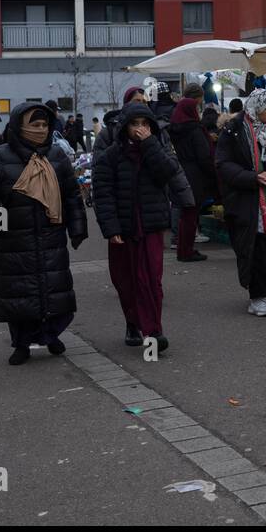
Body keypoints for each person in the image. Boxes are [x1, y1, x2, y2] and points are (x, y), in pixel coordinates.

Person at [0, 102, 87, 365]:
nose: (41, 130)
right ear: (19, 126)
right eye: (35, 125)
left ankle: (51, 335)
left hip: (51, 236)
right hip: (12, 238)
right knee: (17, 292)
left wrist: (77, 227)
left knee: (53, 289)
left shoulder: (57, 156)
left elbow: (72, 195)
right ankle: (22, 343)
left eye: (45, 125)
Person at [93, 102, 193, 351]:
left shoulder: (156, 149)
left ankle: (153, 330)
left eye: (145, 124)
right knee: (125, 281)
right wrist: (111, 228)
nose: (140, 129)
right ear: (125, 127)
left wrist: (150, 144)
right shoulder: (110, 157)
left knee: (150, 279)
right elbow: (103, 194)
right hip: (123, 229)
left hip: (150, 225)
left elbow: (168, 172)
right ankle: (132, 323)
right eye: (135, 124)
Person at [215, 89, 266, 317]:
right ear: (256, 107)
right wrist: (252, 178)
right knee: (253, 244)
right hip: (245, 199)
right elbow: (223, 164)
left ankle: (262, 291)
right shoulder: (234, 130)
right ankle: (257, 297)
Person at [170, 97, 217, 263]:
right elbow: (204, 156)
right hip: (195, 175)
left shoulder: (175, 128)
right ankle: (186, 251)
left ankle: (183, 249)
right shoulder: (195, 129)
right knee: (191, 215)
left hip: (181, 172)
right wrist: (213, 173)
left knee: (185, 214)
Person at [93, 86, 148, 161]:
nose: (141, 105)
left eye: (144, 102)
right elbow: (98, 165)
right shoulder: (108, 133)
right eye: (137, 101)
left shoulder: (156, 130)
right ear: (126, 103)